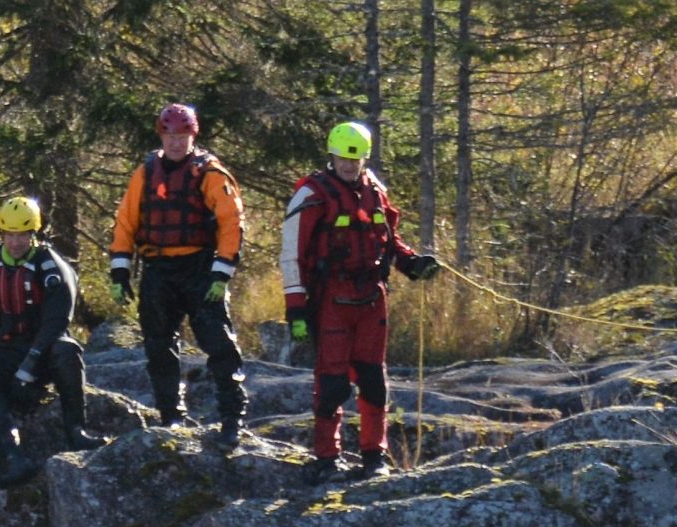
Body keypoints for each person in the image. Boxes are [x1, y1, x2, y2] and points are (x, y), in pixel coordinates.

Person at [280, 120, 443, 482]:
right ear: (332, 156)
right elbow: (291, 255)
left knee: (373, 382)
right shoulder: (311, 194)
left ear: (365, 159)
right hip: (331, 299)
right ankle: (327, 457)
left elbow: (388, 239)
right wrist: (296, 308)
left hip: (372, 299)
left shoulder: (376, 191)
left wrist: (411, 263)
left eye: (355, 160)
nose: (349, 166)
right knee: (332, 383)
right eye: (343, 159)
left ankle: (374, 455)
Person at [107, 102, 247, 447]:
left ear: (193, 136)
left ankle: (232, 419)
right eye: (169, 135)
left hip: (200, 269)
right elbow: (126, 221)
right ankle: (171, 415)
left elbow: (231, 223)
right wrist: (120, 270)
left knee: (219, 343)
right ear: (161, 135)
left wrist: (221, 273)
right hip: (158, 269)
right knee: (158, 346)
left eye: (182, 136)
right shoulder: (146, 172)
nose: (175, 142)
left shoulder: (210, 174)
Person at [0, 195, 91, 489]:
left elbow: (57, 322)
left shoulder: (52, 268)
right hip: (5, 347)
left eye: (22, 235)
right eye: (9, 234)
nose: (15, 242)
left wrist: (29, 367)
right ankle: (13, 455)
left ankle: (76, 431)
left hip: (45, 347)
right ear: (1, 233)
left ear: (34, 233)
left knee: (67, 351)